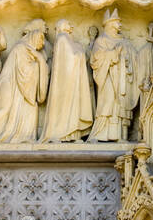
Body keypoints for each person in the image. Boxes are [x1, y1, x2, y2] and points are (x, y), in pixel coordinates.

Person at [0, 20, 48, 142]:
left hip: (22, 91)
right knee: (3, 110)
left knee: (30, 108)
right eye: (41, 40)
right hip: (12, 87)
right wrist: (39, 61)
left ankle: (24, 136)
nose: (43, 43)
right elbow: (24, 71)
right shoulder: (20, 48)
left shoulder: (31, 52)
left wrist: (39, 59)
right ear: (34, 38)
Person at [40, 19, 94, 142]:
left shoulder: (66, 39)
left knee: (73, 106)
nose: (72, 25)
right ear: (63, 26)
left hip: (71, 79)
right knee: (67, 106)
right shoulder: (62, 38)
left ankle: (72, 135)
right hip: (67, 81)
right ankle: (61, 134)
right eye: (69, 24)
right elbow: (70, 58)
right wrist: (80, 52)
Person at [88, 13, 133, 142]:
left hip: (120, 77)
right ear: (110, 24)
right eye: (117, 22)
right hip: (107, 77)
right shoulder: (101, 40)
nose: (120, 25)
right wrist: (114, 53)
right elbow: (96, 57)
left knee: (119, 106)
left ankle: (117, 136)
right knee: (107, 102)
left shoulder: (123, 40)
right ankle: (99, 133)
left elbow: (131, 57)